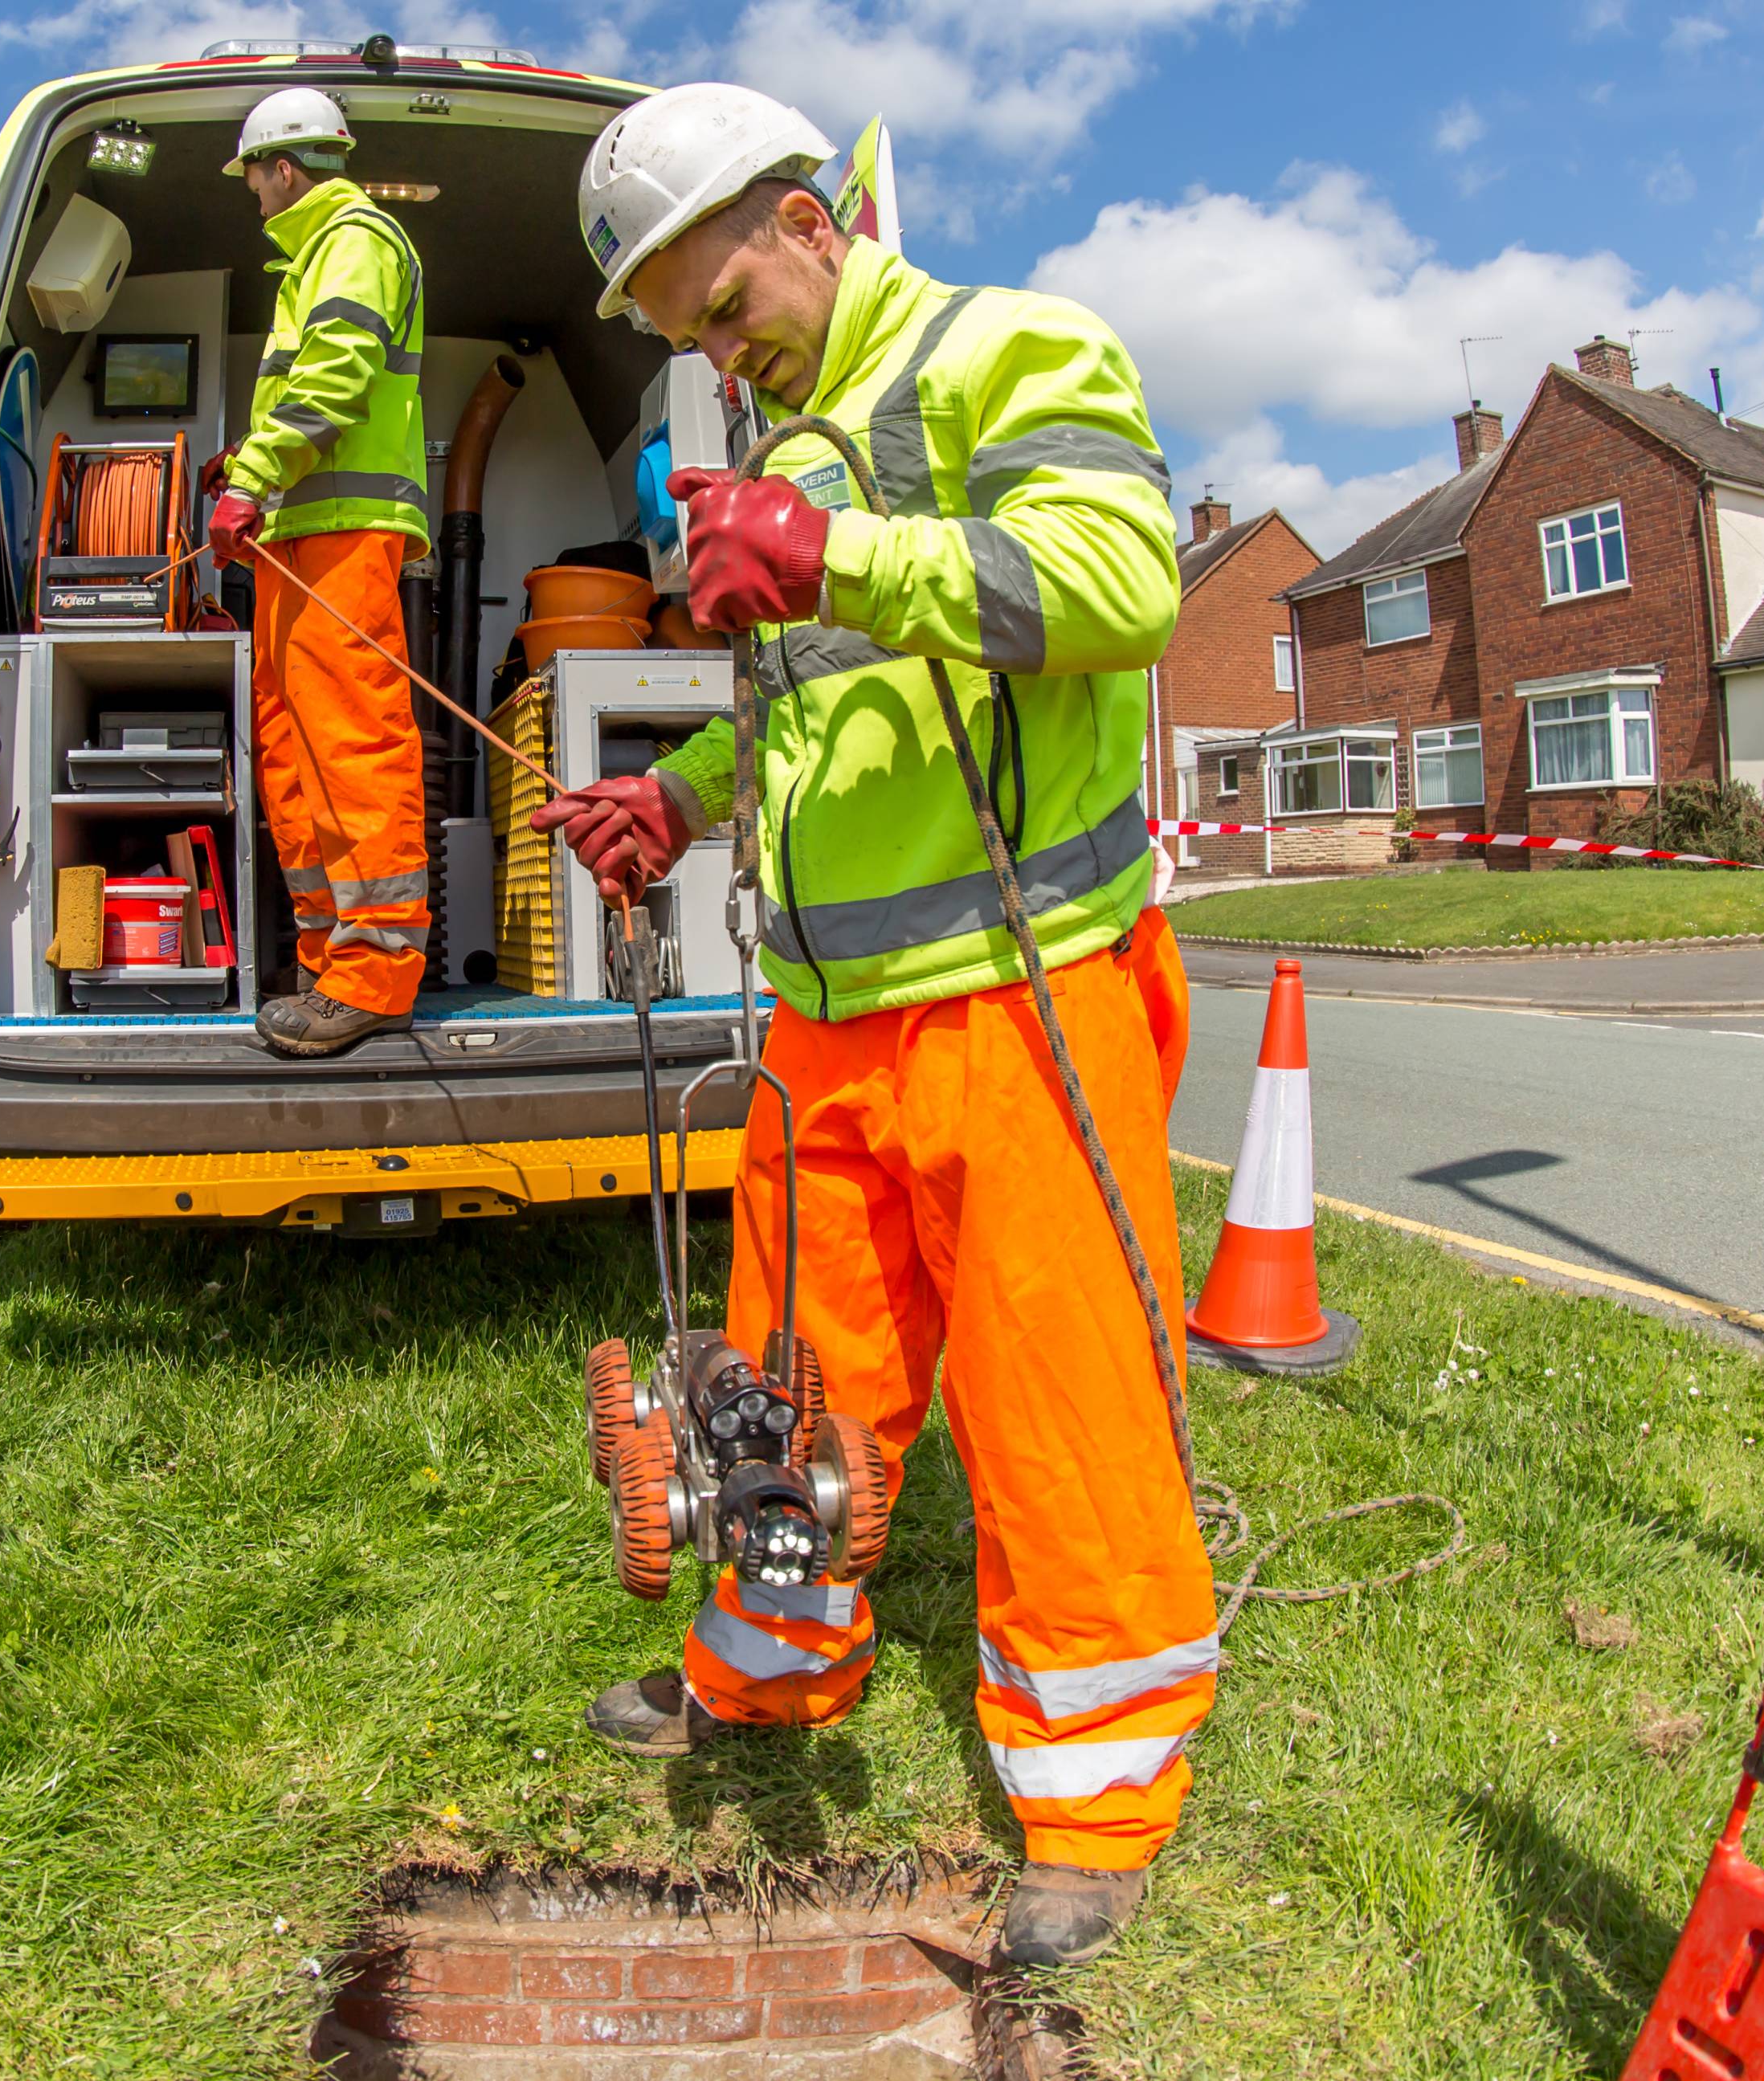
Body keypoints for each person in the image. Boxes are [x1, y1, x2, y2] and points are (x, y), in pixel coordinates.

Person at [537, 82, 1205, 1970]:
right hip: (824, 1024)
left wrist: (837, 557)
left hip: (1019, 997)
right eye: (680, 336)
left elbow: (1122, 582)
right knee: (786, 1387)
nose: (713, 354)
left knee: (1056, 1411)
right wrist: (675, 796)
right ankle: (761, 1678)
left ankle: (1094, 1800)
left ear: (810, 216)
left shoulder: (1013, 351)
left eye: (720, 304)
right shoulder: (794, 443)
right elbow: (812, 714)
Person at [206, 88, 433, 1058]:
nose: (251, 196)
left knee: (350, 742)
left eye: (252, 177)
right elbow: (315, 386)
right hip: (300, 535)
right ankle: (325, 958)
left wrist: (255, 474)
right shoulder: (316, 253)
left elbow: (337, 369)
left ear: (282, 169)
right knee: (289, 748)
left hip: (343, 532)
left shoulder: (354, 237)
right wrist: (250, 471)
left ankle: (375, 973)